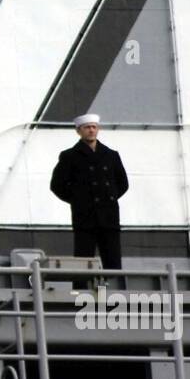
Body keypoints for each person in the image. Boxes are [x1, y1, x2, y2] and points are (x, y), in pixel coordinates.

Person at [50, 113, 129, 270]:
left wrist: (110, 197)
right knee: (83, 260)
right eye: (87, 127)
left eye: (94, 127)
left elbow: (123, 183)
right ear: (79, 131)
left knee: (112, 260)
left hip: (109, 216)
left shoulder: (111, 155)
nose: (91, 130)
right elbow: (57, 185)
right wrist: (78, 200)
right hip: (85, 217)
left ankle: (115, 292)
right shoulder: (69, 156)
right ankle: (80, 293)